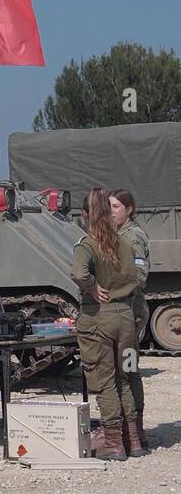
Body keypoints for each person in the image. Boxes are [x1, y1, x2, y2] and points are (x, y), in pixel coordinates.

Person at [71, 188, 141, 461]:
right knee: (127, 376)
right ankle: (132, 438)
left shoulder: (87, 243)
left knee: (104, 380)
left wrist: (89, 287)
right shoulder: (124, 242)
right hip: (126, 318)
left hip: (100, 317)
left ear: (87, 214)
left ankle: (112, 440)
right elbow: (136, 275)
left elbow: (78, 272)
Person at [109, 188, 150, 454]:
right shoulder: (120, 235)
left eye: (115, 207)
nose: (111, 212)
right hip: (124, 313)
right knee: (127, 369)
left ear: (129, 208)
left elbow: (139, 276)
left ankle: (133, 430)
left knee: (128, 370)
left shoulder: (132, 236)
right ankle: (133, 431)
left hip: (130, 314)